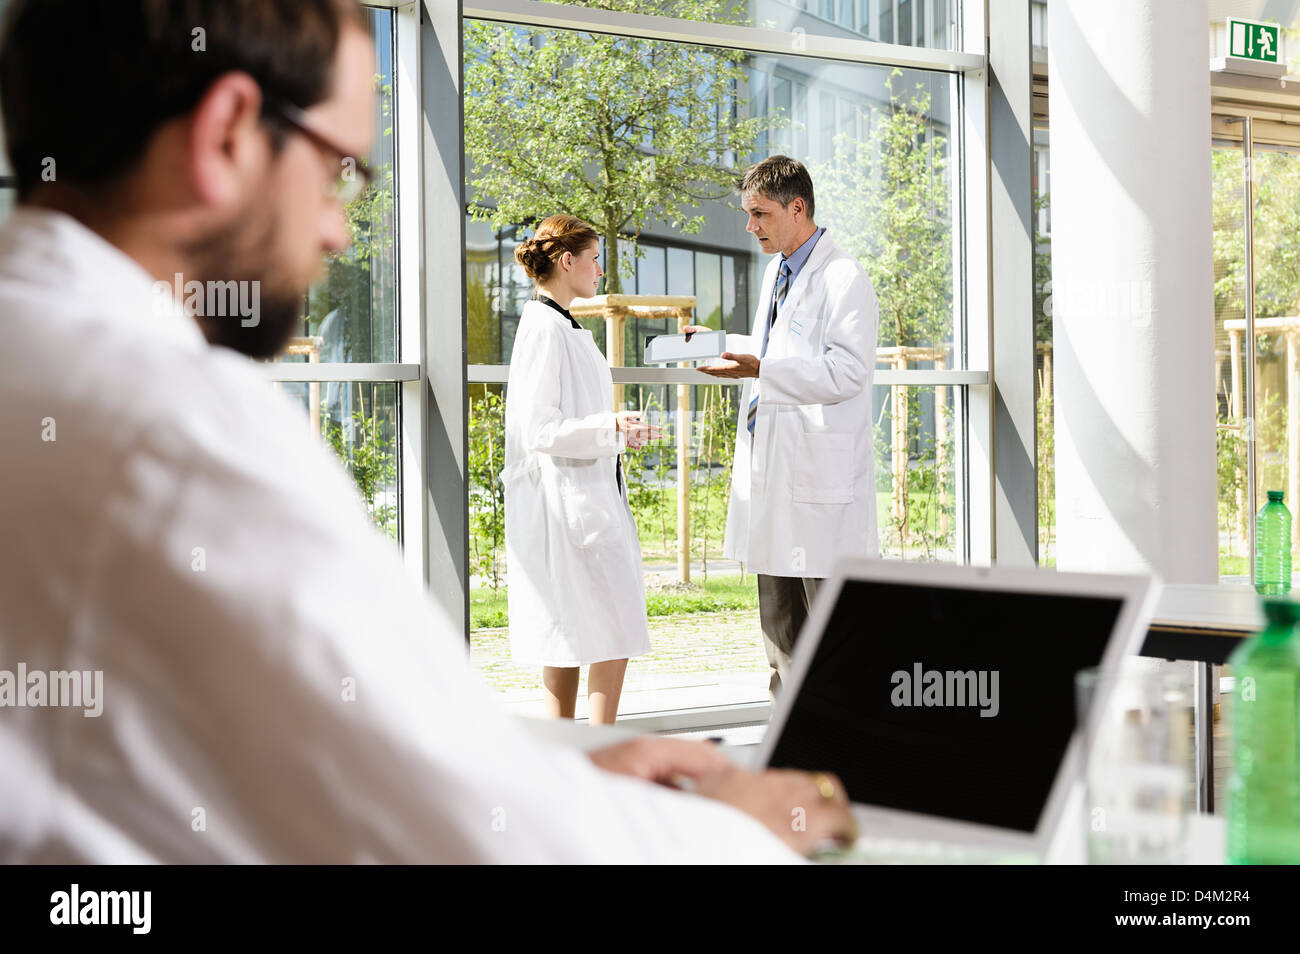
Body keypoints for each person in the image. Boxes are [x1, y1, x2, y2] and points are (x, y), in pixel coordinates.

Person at [0, 0, 858, 862]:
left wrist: (545, 781)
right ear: (225, 133)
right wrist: (738, 825)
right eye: (340, 169)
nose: (337, 226)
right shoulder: (184, 432)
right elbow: (448, 830)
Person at [691, 156, 879, 698]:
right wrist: (726, 347)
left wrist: (762, 367)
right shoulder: (779, 271)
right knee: (780, 632)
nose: (751, 226)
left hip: (821, 483)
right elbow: (780, 352)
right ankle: (790, 741)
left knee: (832, 633)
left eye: (760, 214)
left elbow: (848, 371)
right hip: (774, 476)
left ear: (797, 208)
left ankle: (844, 754)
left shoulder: (843, 277)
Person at [503, 214, 660, 725]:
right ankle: (598, 749)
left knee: (569, 631)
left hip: (579, 498)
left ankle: (566, 754)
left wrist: (615, 431)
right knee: (611, 628)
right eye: (594, 259)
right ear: (567, 261)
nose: (600, 271)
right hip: (570, 506)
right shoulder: (546, 329)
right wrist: (611, 427)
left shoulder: (560, 324)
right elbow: (541, 430)